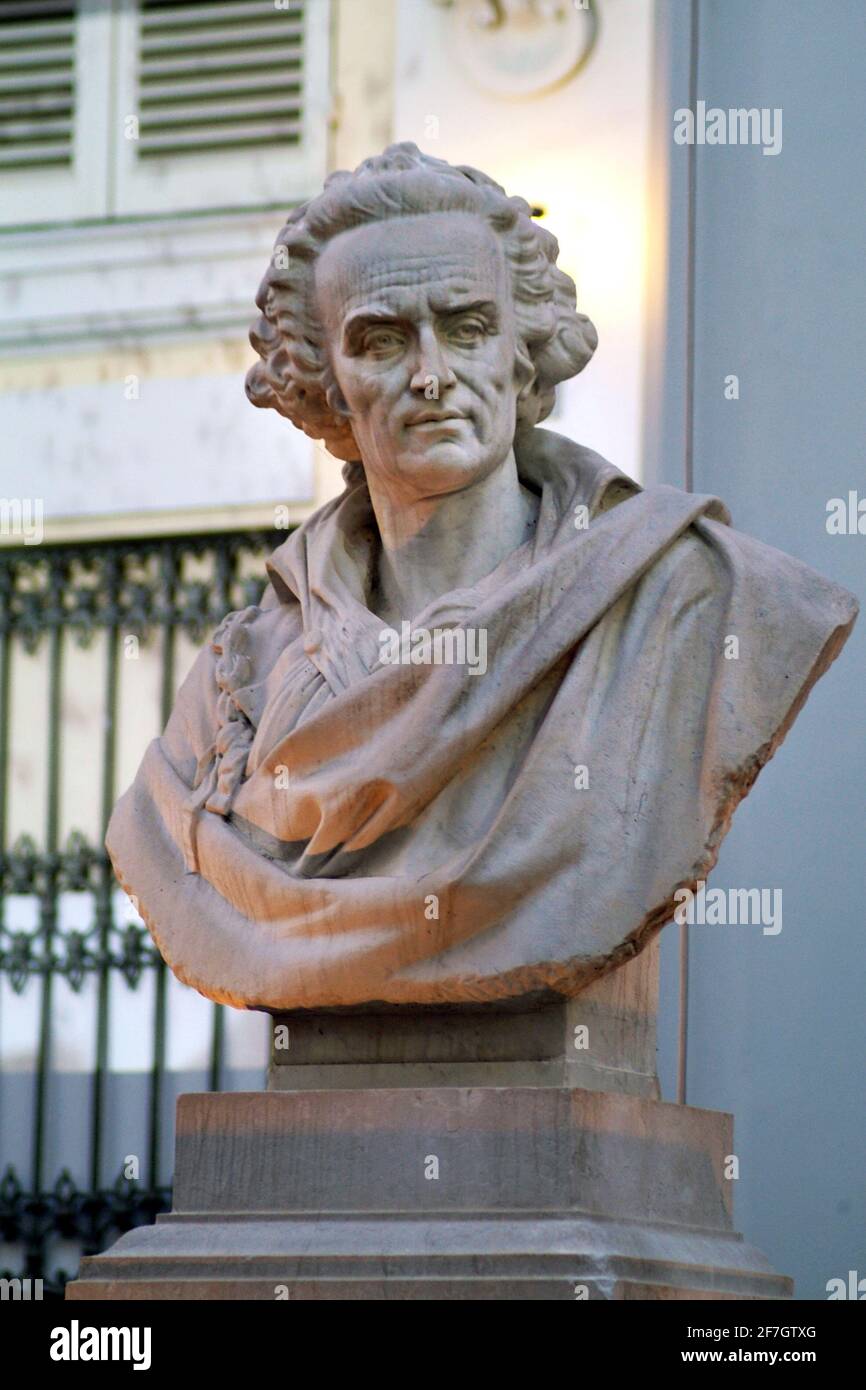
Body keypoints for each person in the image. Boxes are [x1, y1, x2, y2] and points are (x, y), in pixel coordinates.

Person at [106, 144, 857, 1010]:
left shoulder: (687, 598)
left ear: (522, 349)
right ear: (325, 382)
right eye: (382, 341)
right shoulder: (241, 676)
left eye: (467, 329)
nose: (433, 375)